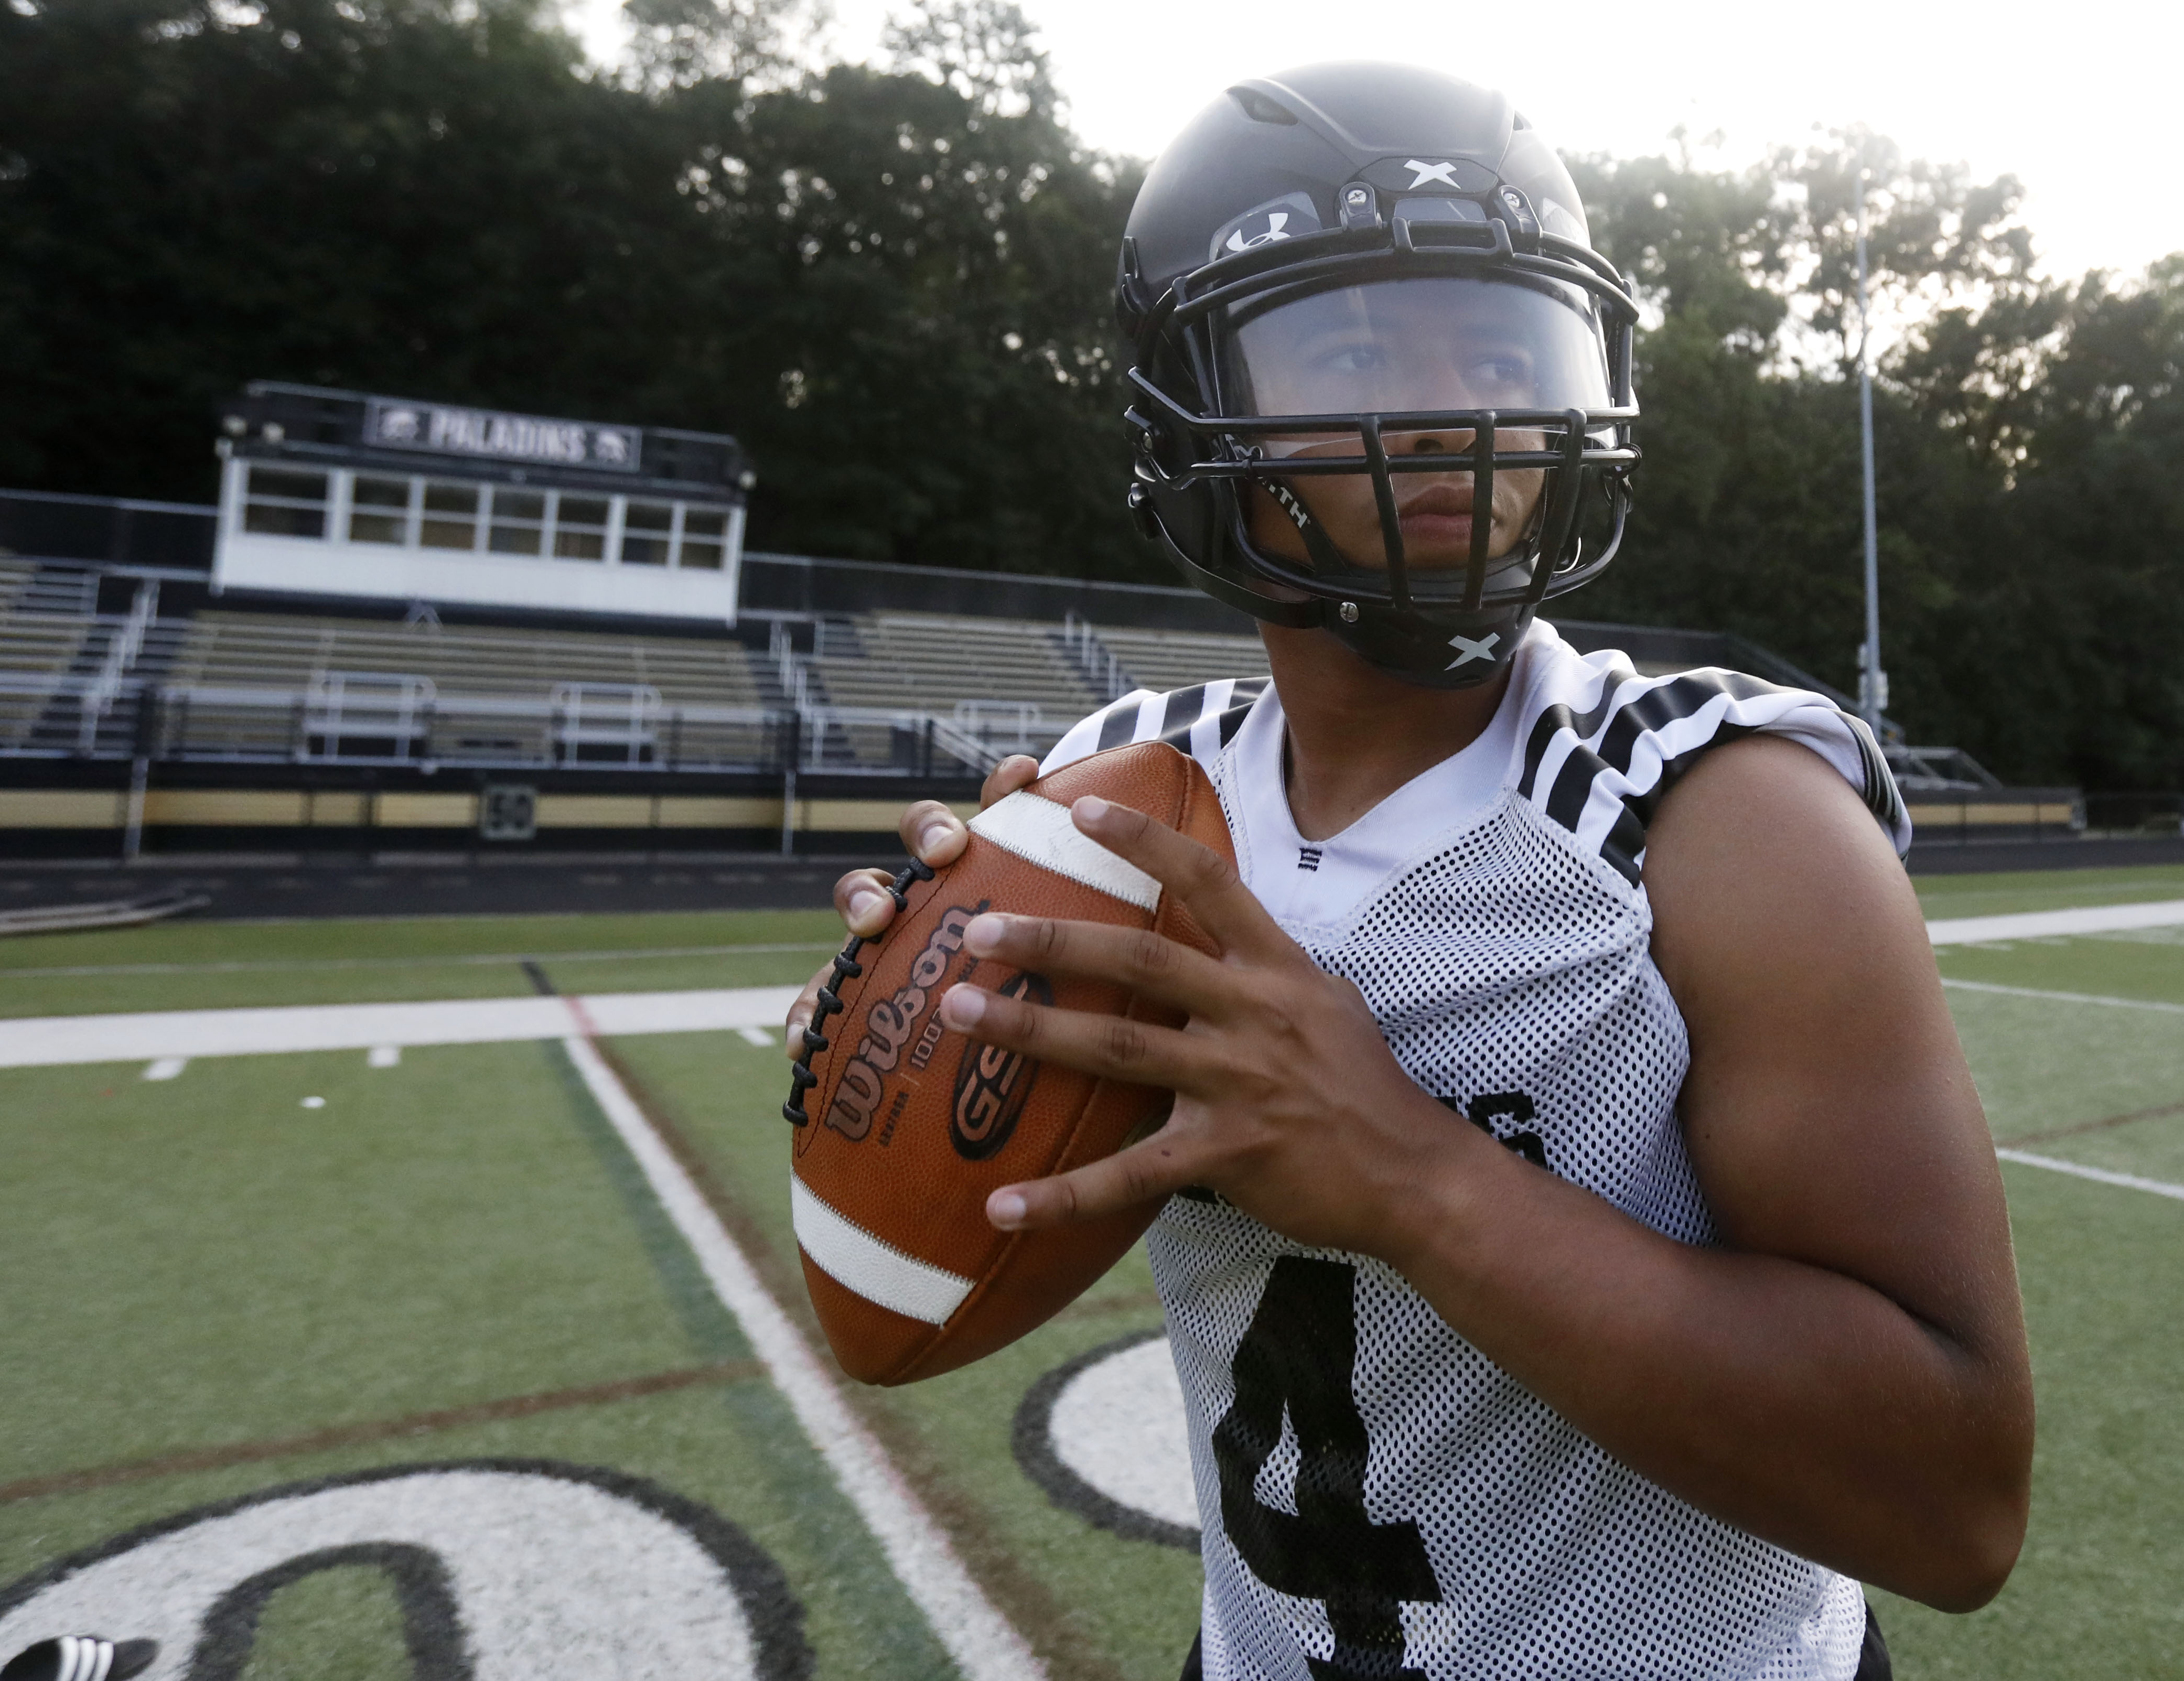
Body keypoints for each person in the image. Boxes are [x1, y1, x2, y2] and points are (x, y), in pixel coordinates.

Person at [787, 61, 2031, 1680]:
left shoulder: (1717, 812)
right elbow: (911, 1274)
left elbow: (1954, 1505)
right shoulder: (1130, 789)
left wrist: (1413, 1180)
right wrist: (899, 1041)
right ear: (1189, 401)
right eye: (1358, 346)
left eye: (1507, 346)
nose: (1460, 406)